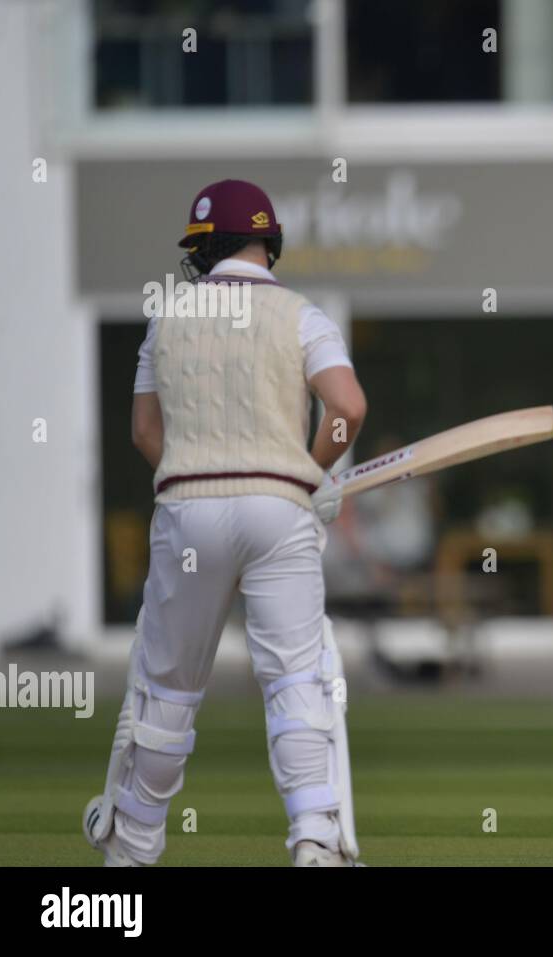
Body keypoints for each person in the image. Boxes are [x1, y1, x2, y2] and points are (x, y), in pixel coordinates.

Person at [83, 179, 367, 865]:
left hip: (188, 508)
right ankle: (314, 839)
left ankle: (132, 848)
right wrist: (310, 472)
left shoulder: (167, 317)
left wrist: (195, 471)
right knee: (296, 676)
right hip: (278, 509)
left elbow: (146, 431)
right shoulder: (303, 314)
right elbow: (347, 408)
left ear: (207, 248)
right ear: (269, 243)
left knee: (169, 686)